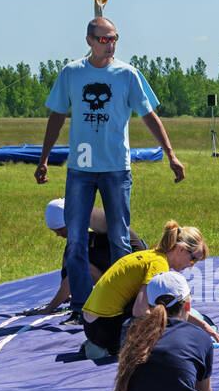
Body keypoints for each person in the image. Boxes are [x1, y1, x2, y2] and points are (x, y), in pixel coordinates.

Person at [34, 16, 186, 325]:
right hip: (80, 171)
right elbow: (57, 116)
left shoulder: (128, 75)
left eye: (115, 38)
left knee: (120, 239)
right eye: (104, 39)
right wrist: (44, 158)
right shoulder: (71, 73)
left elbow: (149, 115)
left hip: (117, 169)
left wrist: (170, 154)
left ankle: (122, 305)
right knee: (75, 240)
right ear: (89, 40)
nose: (110, 44)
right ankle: (80, 307)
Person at [82, 220, 219, 357]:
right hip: (103, 330)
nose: (191, 266)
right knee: (162, 312)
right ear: (181, 249)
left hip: (93, 324)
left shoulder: (153, 256)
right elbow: (139, 311)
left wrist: (203, 326)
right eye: (193, 259)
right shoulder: (159, 266)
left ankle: (101, 346)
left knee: (165, 306)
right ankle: (107, 347)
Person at [36, 199, 146, 315]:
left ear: (68, 222)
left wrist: (49, 308)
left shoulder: (95, 221)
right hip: (121, 253)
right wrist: (67, 291)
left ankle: (111, 293)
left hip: (135, 260)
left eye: (59, 230)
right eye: (54, 232)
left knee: (80, 264)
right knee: (72, 251)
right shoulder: (80, 217)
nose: (58, 234)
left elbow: (76, 270)